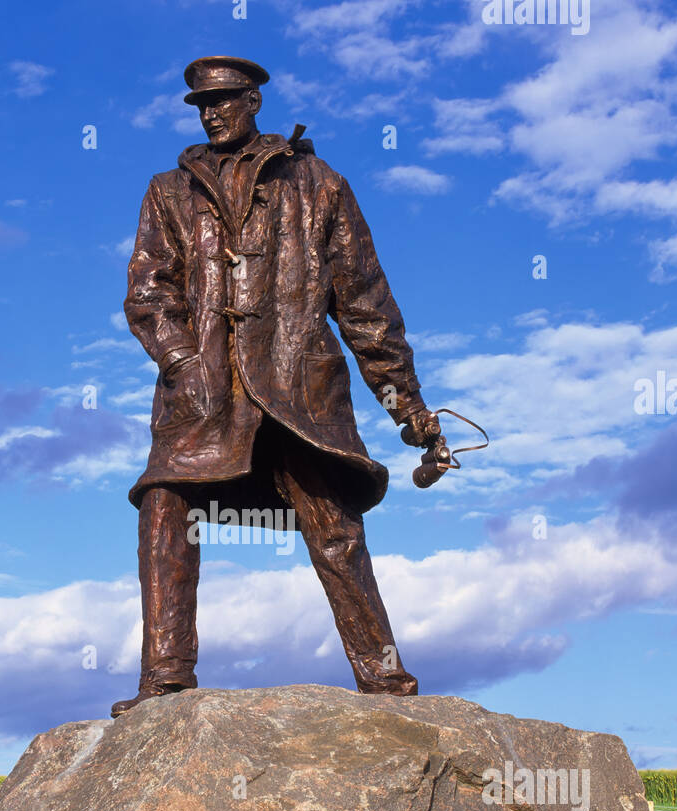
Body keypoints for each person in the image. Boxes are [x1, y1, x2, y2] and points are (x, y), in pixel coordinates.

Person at [113, 55, 441, 717]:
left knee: (333, 527)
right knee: (164, 503)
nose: (211, 113)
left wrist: (407, 408)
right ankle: (165, 679)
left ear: (254, 100)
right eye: (202, 104)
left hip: (298, 386)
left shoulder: (319, 184)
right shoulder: (168, 191)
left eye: (223, 100)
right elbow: (148, 293)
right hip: (203, 392)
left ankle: (385, 680)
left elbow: (365, 305)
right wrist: (183, 362)